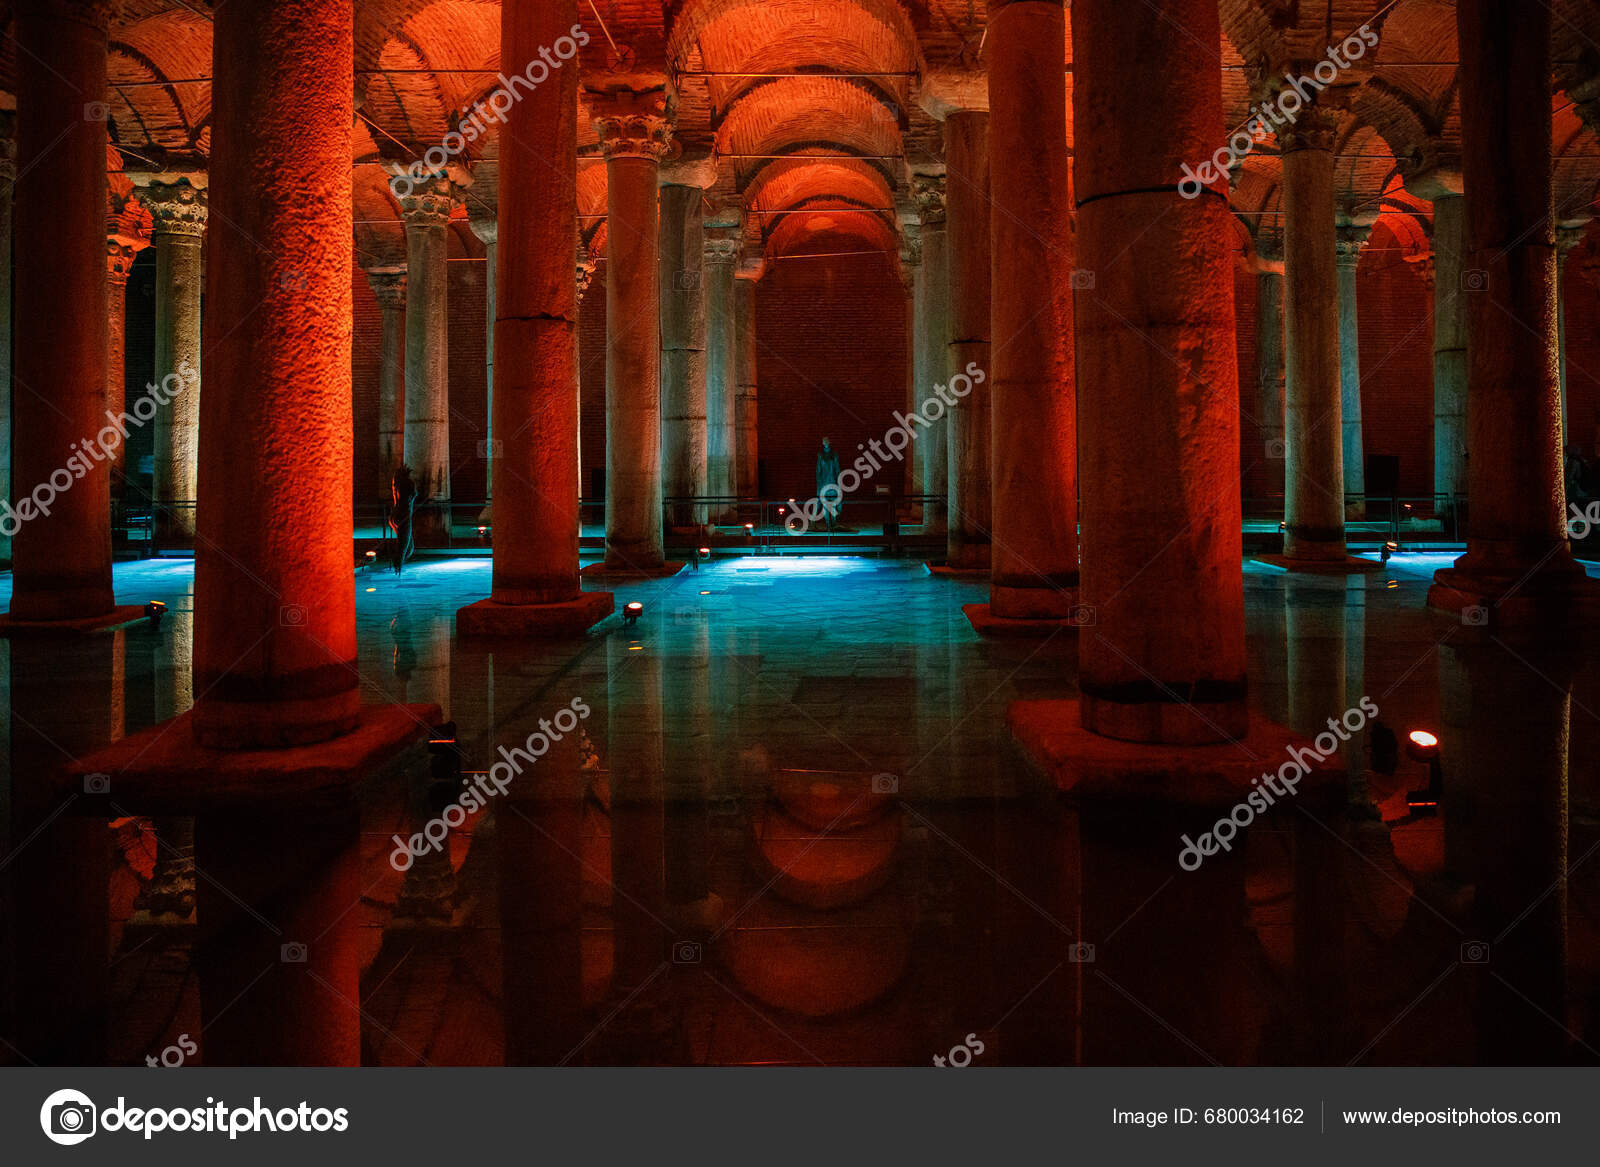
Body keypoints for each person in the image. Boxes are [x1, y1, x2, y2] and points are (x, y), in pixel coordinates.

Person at [389, 465, 417, 575]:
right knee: (404, 548)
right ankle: (397, 570)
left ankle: (397, 565)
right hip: (404, 517)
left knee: (408, 548)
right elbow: (409, 498)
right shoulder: (407, 484)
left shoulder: (397, 483)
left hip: (396, 516)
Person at [815, 437, 842, 533]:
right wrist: (819, 482)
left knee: (833, 503)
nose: (825, 442)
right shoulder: (820, 454)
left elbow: (837, 467)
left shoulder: (834, 454)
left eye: (827, 440)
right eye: (824, 441)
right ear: (822, 443)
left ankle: (834, 524)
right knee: (825, 504)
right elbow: (818, 469)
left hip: (832, 480)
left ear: (829, 442)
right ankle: (828, 524)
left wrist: (838, 481)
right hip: (823, 481)